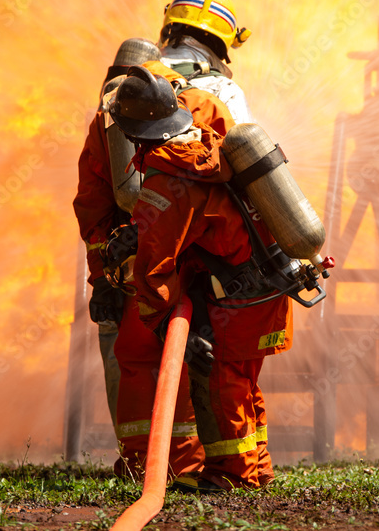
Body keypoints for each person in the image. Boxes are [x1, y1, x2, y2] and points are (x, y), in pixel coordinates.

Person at [107, 66, 292, 492]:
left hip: (238, 296)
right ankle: (257, 468)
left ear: (134, 131)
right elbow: (203, 216)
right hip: (271, 281)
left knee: (221, 382)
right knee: (244, 380)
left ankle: (234, 477)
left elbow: (154, 274)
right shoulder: (206, 143)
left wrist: (167, 327)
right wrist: (139, 231)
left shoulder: (163, 181)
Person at [73, 46, 236, 479]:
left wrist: (105, 281)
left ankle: (149, 466)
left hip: (151, 266)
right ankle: (183, 465)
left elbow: (95, 210)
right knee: (177, 356)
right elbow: (234, 184)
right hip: (194, 264)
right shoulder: (209, 106)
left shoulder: (105, 123)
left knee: (142, 356)